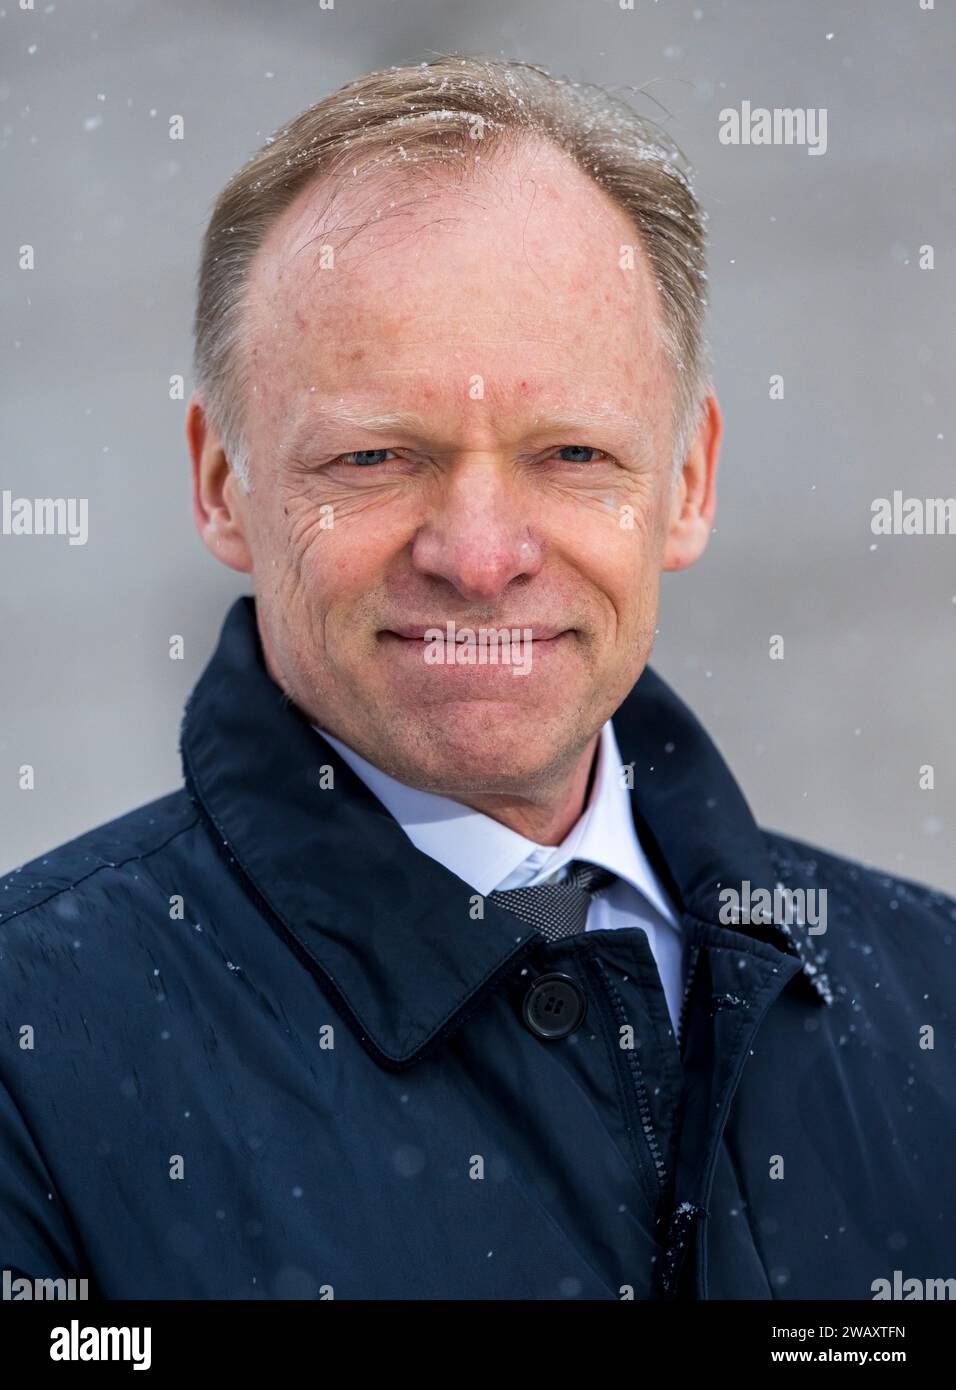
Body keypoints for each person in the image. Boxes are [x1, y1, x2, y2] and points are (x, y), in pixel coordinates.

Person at [2, 55, 953, 1302]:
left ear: (688, 480)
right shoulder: (35, 1050)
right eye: (374, 455)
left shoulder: (927, 989)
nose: (480, 554)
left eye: (570, 451)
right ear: (220, 482)